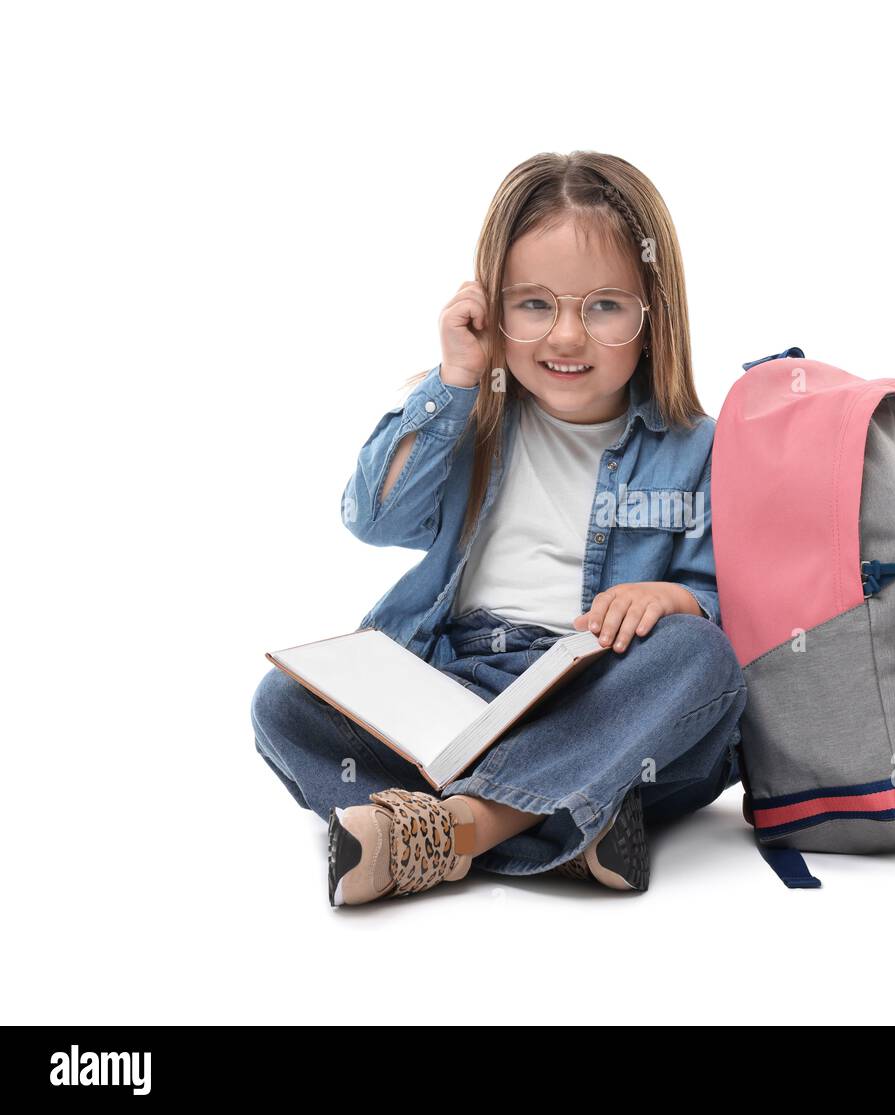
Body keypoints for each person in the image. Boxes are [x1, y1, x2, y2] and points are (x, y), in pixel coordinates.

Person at [250, 151, 747, 906]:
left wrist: (676, 601)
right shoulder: (470, 416)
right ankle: (563, 827)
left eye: (605, 306)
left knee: (699, 661)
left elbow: (724, 597)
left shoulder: (699, 448)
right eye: (535, 305)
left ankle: (453, 831)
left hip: (596, 694)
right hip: (458, 683)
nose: (567, 336)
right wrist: (453, 381)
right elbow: (373, 517)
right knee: (280, 705)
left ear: (655, 316)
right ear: (493, 308)